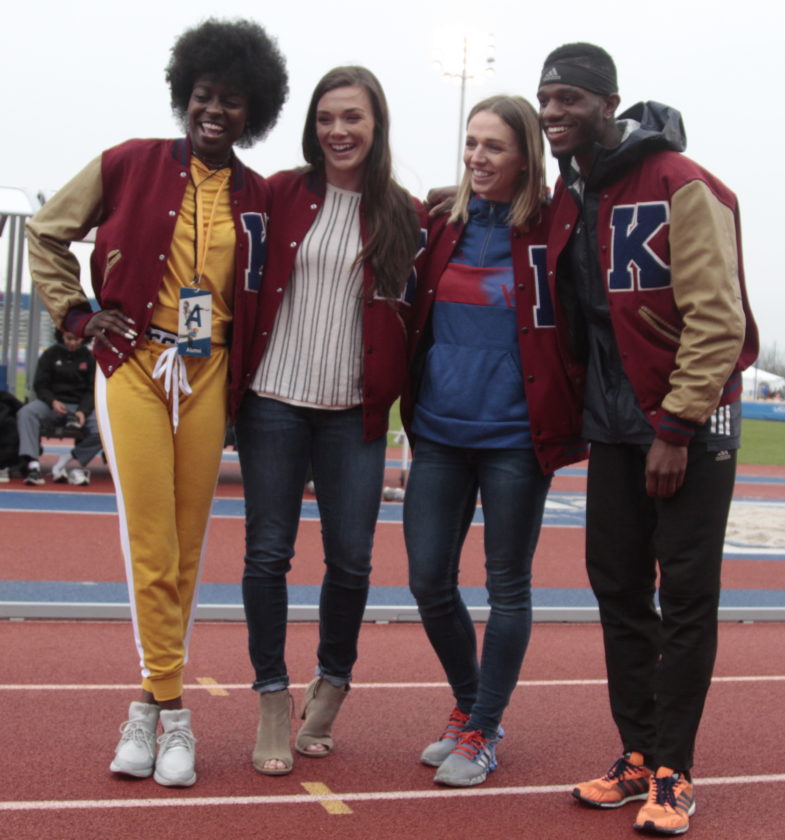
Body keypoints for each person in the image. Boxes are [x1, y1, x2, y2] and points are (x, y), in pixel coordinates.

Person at [26, 18, 288, 787]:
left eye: (233, 100)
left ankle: (146, 705)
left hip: (207, 372)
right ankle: (173, 713)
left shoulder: (262, 195)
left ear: (254, 112)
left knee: (186, 543)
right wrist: (77, 314)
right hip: (133, 362)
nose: (215, 110)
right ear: (185, 95)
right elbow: (46, 234)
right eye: (204, 95)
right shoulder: (127, 163)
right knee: (150, 542)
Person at [536, 43, 758, 835]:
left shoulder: (677, 182)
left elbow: (717, 317)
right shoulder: (571, 191)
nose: (551, 112)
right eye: (544, 99)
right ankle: (636, 755)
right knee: (618, 588)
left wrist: (676, 425)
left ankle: (675, 770)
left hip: (686, 425)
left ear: (607, 102)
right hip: (615, 428)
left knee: (686, 596)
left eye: (567, 98)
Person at [231, 65, 424, 776]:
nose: (338, 130)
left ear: (376, 127)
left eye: (352, 118)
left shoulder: (404, 213)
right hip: (273, 401)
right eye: (325, 118)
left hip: (354, 412)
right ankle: (272, 698)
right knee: (267, 555)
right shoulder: (278, 192)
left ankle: (332, 683)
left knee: (350, 561)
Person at [402, 95, 586, 787]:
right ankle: (469, 704)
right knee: (426, 580)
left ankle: (481, 728)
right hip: (439, 434)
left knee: (506, 586)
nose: (477, 157)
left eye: (494, 146)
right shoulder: (438, 220)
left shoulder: (551, 228)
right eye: (471, 143)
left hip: (515, 437)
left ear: (524, 157)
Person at [16, 329, 102, 486]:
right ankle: (32, 464)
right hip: (51, 405)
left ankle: (69, 458)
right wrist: (52, 402)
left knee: (104, 427)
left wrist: (83, 410)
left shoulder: (90, 358)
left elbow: (92, 389)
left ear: (83, 339)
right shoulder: (50, 354)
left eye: (76, 339)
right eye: (69, 338)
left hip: (79, 407)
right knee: (26, 413)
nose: (72, 343)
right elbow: (40, 384)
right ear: (62, 336)